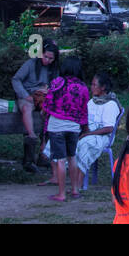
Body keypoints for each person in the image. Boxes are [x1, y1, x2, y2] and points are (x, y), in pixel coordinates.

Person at [42, 55, 90, 201]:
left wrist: (44, 114)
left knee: (60, 160)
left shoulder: (57, 82)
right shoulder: (83, 87)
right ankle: (75, 189)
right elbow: (84, 109)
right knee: (72, 157)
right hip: (74, 127)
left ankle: (61, 193)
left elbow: (48, 103)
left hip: (57, 126)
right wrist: (84, 126)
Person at [12, 42, 58, 173]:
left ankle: (44, 155)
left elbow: (56, 85)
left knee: (51, 114)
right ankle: (29, 156)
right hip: (27, 95)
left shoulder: (53, 69)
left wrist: (48, 90)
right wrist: (25, 95)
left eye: (51, 58)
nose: (47, 60)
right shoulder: (31, 64)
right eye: (46, 57)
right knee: (27, 109)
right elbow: (16, 79)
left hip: (44, 97)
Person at [76, 73, 123, 189]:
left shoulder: (111, 104)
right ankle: (65, 178)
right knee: (68, 138)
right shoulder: (92, 101)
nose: (91, 87)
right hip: (90, 133)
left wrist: (88, 134)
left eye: (94, 85)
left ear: (103, 87)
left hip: (103, 137)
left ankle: (78, 184)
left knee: (84, 143)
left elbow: (109, 128)